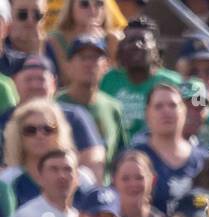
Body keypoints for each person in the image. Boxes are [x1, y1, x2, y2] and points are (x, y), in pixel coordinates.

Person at [98, 16, 180, 141]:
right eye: (130, 41)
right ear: (120, 50)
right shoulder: (106, 81)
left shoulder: (173, 82)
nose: (136, 45)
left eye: (143, 41)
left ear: (155, 49)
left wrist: (202, 93)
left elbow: (199, 101)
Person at [134, 81, 209, 214]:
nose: (166, 111)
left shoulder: (205, 159)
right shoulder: (134, 158)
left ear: (183, 111)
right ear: (147, 114)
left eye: (173, 105)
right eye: (158, 106)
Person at [56, 35, 126, 163]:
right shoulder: (54, 106)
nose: (88, 63)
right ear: (68, 66)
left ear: (105, 66)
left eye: (95, 58)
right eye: (82, 57)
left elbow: (120, 155)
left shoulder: (113, 107)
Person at [111, 147, 168, 217]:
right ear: (114, 181)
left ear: (153, 180)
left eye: (139, 178)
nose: (133, 184)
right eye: (125, 178)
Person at [49, 0, 120, 79]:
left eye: (99, 4)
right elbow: (68, 80)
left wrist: (109, 49)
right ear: (71, 7)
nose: (93, 10)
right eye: (84, 4)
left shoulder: (113, 39)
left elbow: (115, 81)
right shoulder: (54, 40)